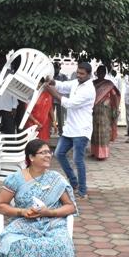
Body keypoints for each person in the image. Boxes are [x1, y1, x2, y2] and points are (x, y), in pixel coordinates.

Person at [0, 139, 77, 257]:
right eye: (43, 153)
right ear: (31, 157)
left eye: (49, 152)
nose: (48, 155)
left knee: (58, 245)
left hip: (52, 224)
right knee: (18, 245)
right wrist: (22, 212)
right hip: (24, 223)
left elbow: (70, 207)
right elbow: (0, 205)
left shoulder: (55, 179)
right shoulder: (16, 179)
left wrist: (50, 212)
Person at [44, 62, 96, 200]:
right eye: (78, 72)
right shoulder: (76, 82)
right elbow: (62, 85)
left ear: (89, 75)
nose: (79, 75)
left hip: (81, 129)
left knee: (78, 160)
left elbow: (70, 103)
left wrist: (53, 93)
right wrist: (52, 82)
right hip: (70, 128)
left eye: (82, 74)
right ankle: (74, 183)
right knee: (59, 153)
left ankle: (83, 191)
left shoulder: (89, 89)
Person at [90, 66, 120, 160]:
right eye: (99, 72)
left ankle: (102, 154)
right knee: (94, 131)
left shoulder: (109, 84)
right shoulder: (92, 84)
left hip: (105, 111)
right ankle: (94, 152)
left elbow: (115, 96)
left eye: (102, 72)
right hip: (94, 110)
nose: (101, 74)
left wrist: (116, 108)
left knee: (104, 131)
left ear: (105, 73)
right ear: (96, 72)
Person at [52, 62, 68, 136]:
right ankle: (49, 130)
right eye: (55, 68)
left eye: (57, 68)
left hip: (59, 99)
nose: (56, 70)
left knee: (60, 116)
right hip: (51, 99)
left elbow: (66, 88)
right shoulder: (51, 76)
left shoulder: (63, 77)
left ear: (59, 68)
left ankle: (61, 131)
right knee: (50, 115)